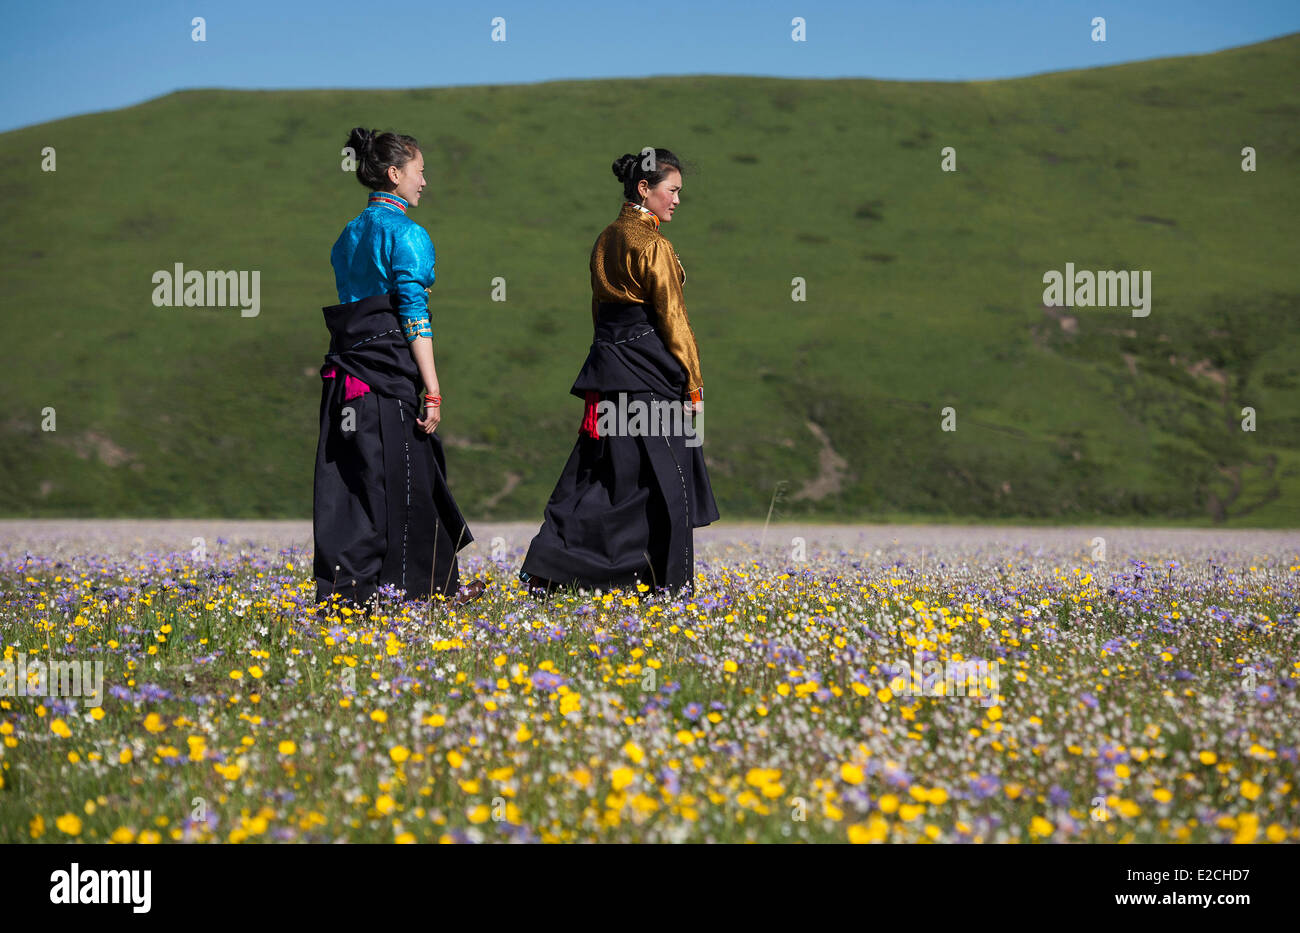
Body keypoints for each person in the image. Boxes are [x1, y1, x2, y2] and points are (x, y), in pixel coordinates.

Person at [519, 148, 720, 597]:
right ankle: (668, 585)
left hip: (608, 370)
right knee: (670, 480)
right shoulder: (653, 245)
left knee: (610, 477)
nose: (678, 200)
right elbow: (673, 319)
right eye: (672, 190)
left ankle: (556, 568)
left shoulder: (605, 237)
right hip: (650, 371)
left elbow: (599, 310)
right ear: (645, 189)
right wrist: (694, 384)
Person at [313, 126, 486, 611]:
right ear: (395, 174)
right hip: (389, 374)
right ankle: (417, 592)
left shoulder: (348, 235)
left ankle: (359, 590)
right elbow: (413, 315)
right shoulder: (408, 234)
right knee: (408, 476)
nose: (424, 182)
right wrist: (432, 388)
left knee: (355, 483)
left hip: (346, 375)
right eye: (419, 172)